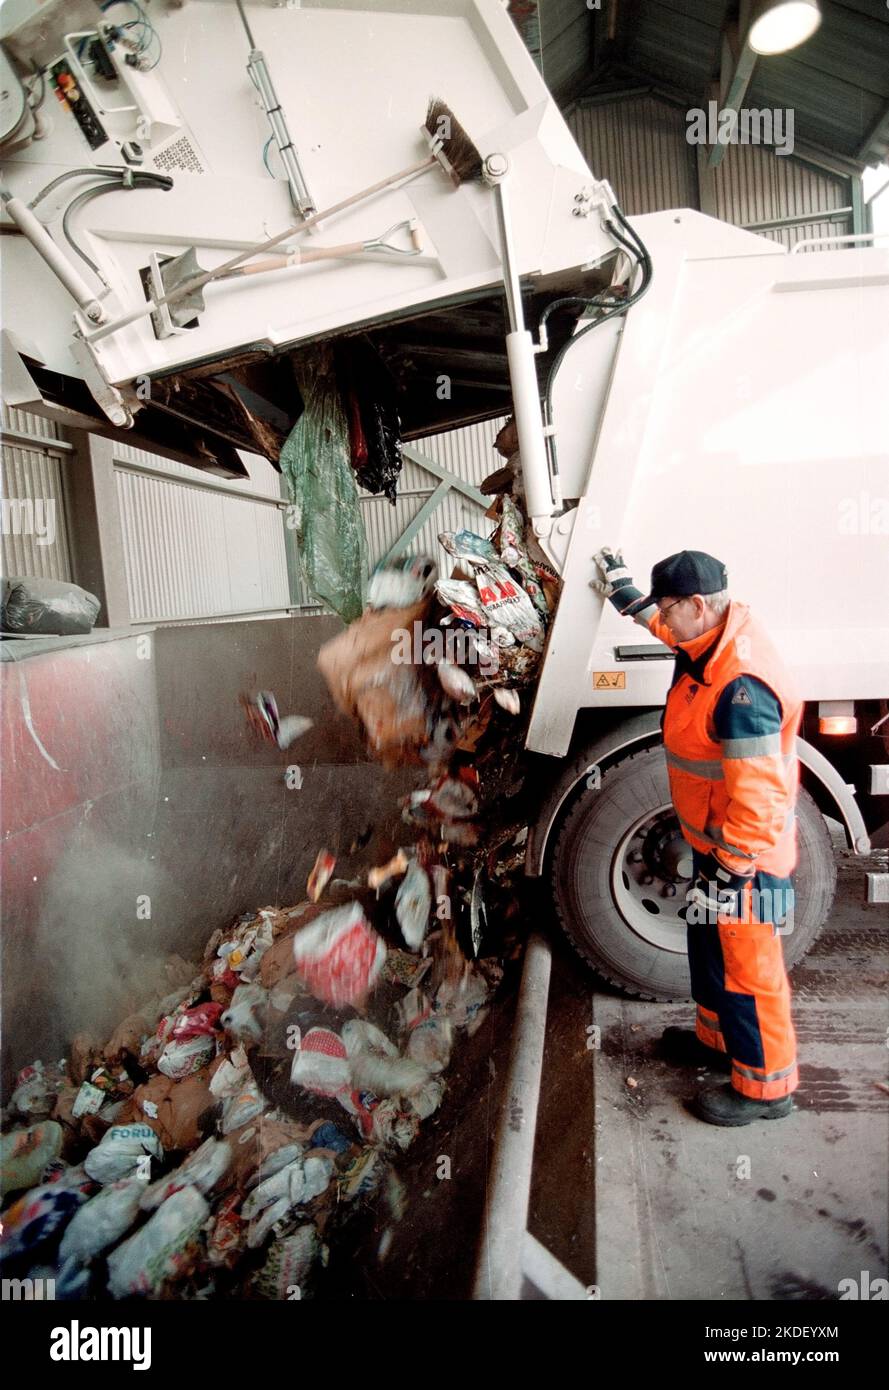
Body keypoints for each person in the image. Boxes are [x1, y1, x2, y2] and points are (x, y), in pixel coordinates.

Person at [592, 547, 802, 1126]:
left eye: (668, 608)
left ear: (699, 605)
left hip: (746, 856)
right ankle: (717, 1043)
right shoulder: (704, 636)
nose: (663, 620)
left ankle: (765, 1090)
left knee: (747, 970)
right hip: (717, 847)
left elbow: (760, 797)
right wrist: (624, 592)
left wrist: (731, 870)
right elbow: (658, 623)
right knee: (708, 947)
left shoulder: (742, 688)